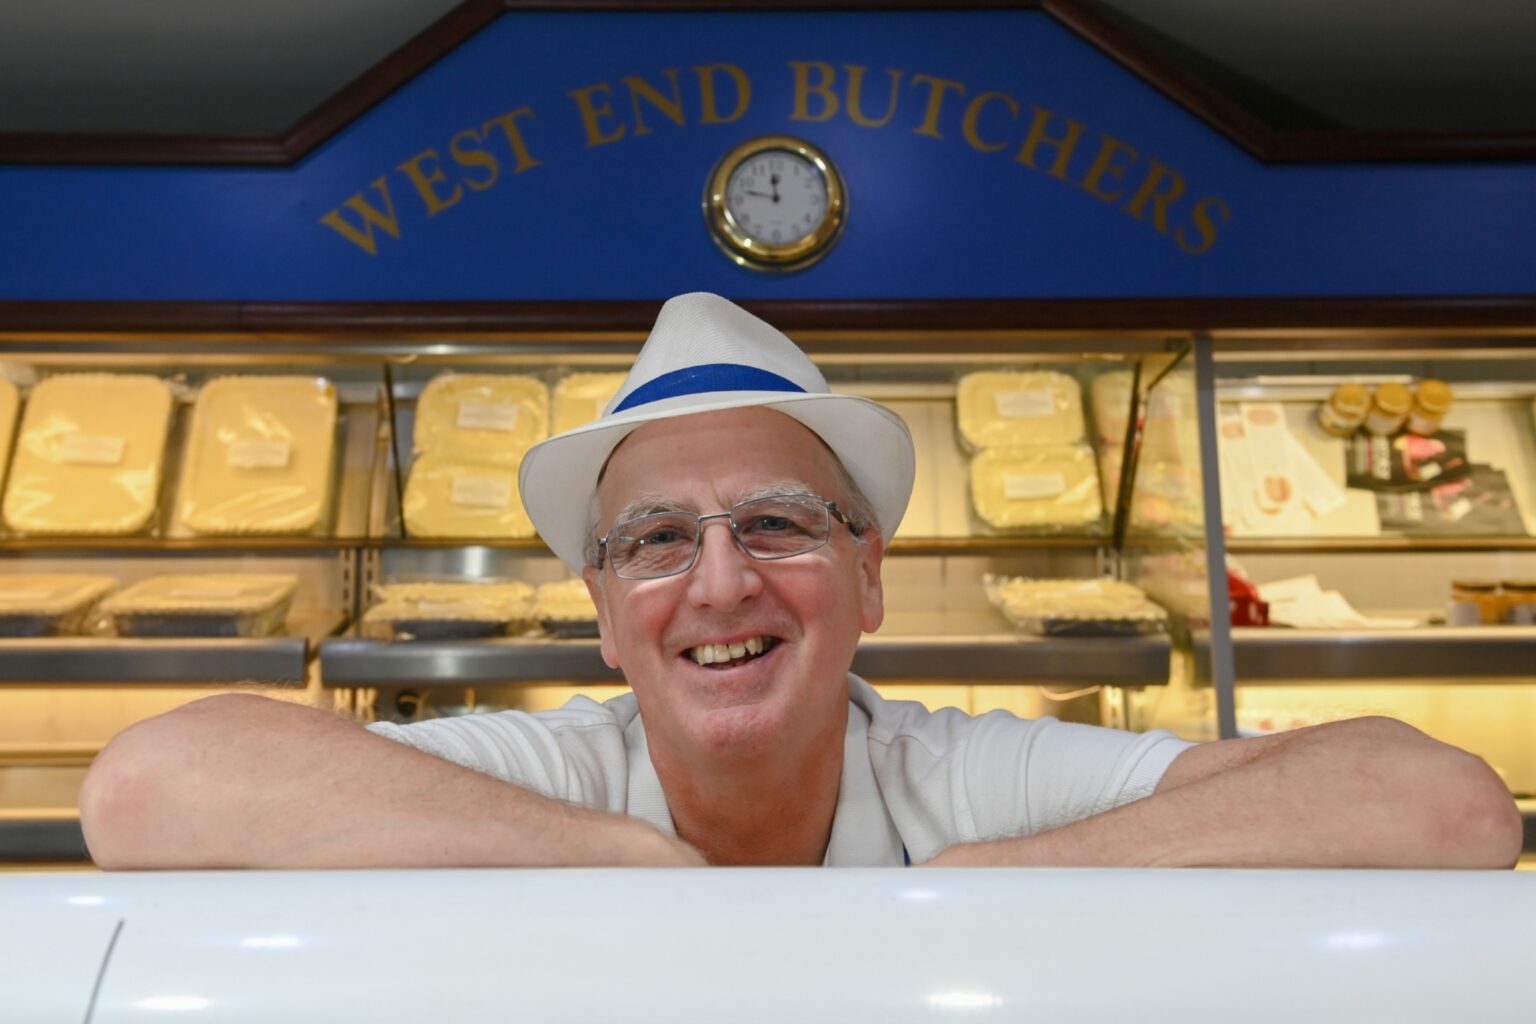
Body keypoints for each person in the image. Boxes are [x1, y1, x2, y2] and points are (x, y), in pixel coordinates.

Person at [79, 293, 1522, 869]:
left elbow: (1443, 806)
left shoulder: (963, 781)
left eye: (777, 523)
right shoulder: (557, 774)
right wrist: (631, 862)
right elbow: (148, 787)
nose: (719, 582)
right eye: (656, 541)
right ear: (603, 614)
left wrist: (982, 886)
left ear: (867, 579)